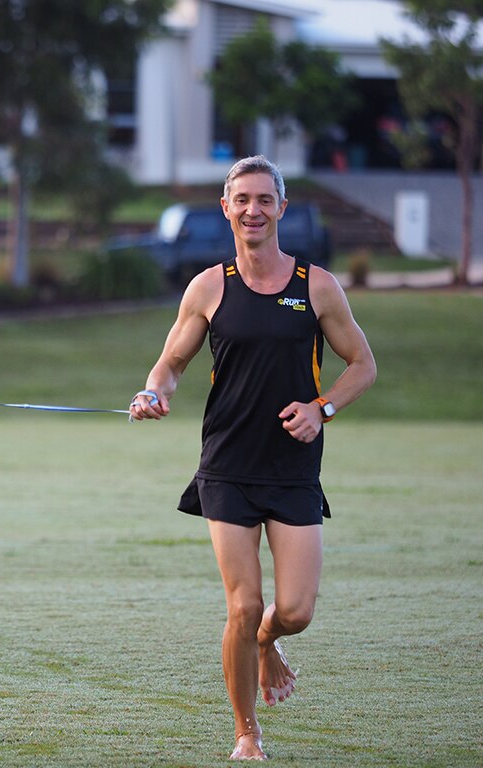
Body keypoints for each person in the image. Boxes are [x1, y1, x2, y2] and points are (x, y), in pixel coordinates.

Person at [129, 155, 376, 761]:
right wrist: (154, 392)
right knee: (241, 604)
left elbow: (363, 365)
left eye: (265, 199)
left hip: (293, 469)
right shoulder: (210, 286)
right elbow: (172, 363)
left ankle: (268, 643)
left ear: (281, 209)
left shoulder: (316, 285)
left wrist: (324, 408)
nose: (253, 209)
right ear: (226, 208)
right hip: (228, 466)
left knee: (293, 610)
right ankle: (247, 734)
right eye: (242, 199)